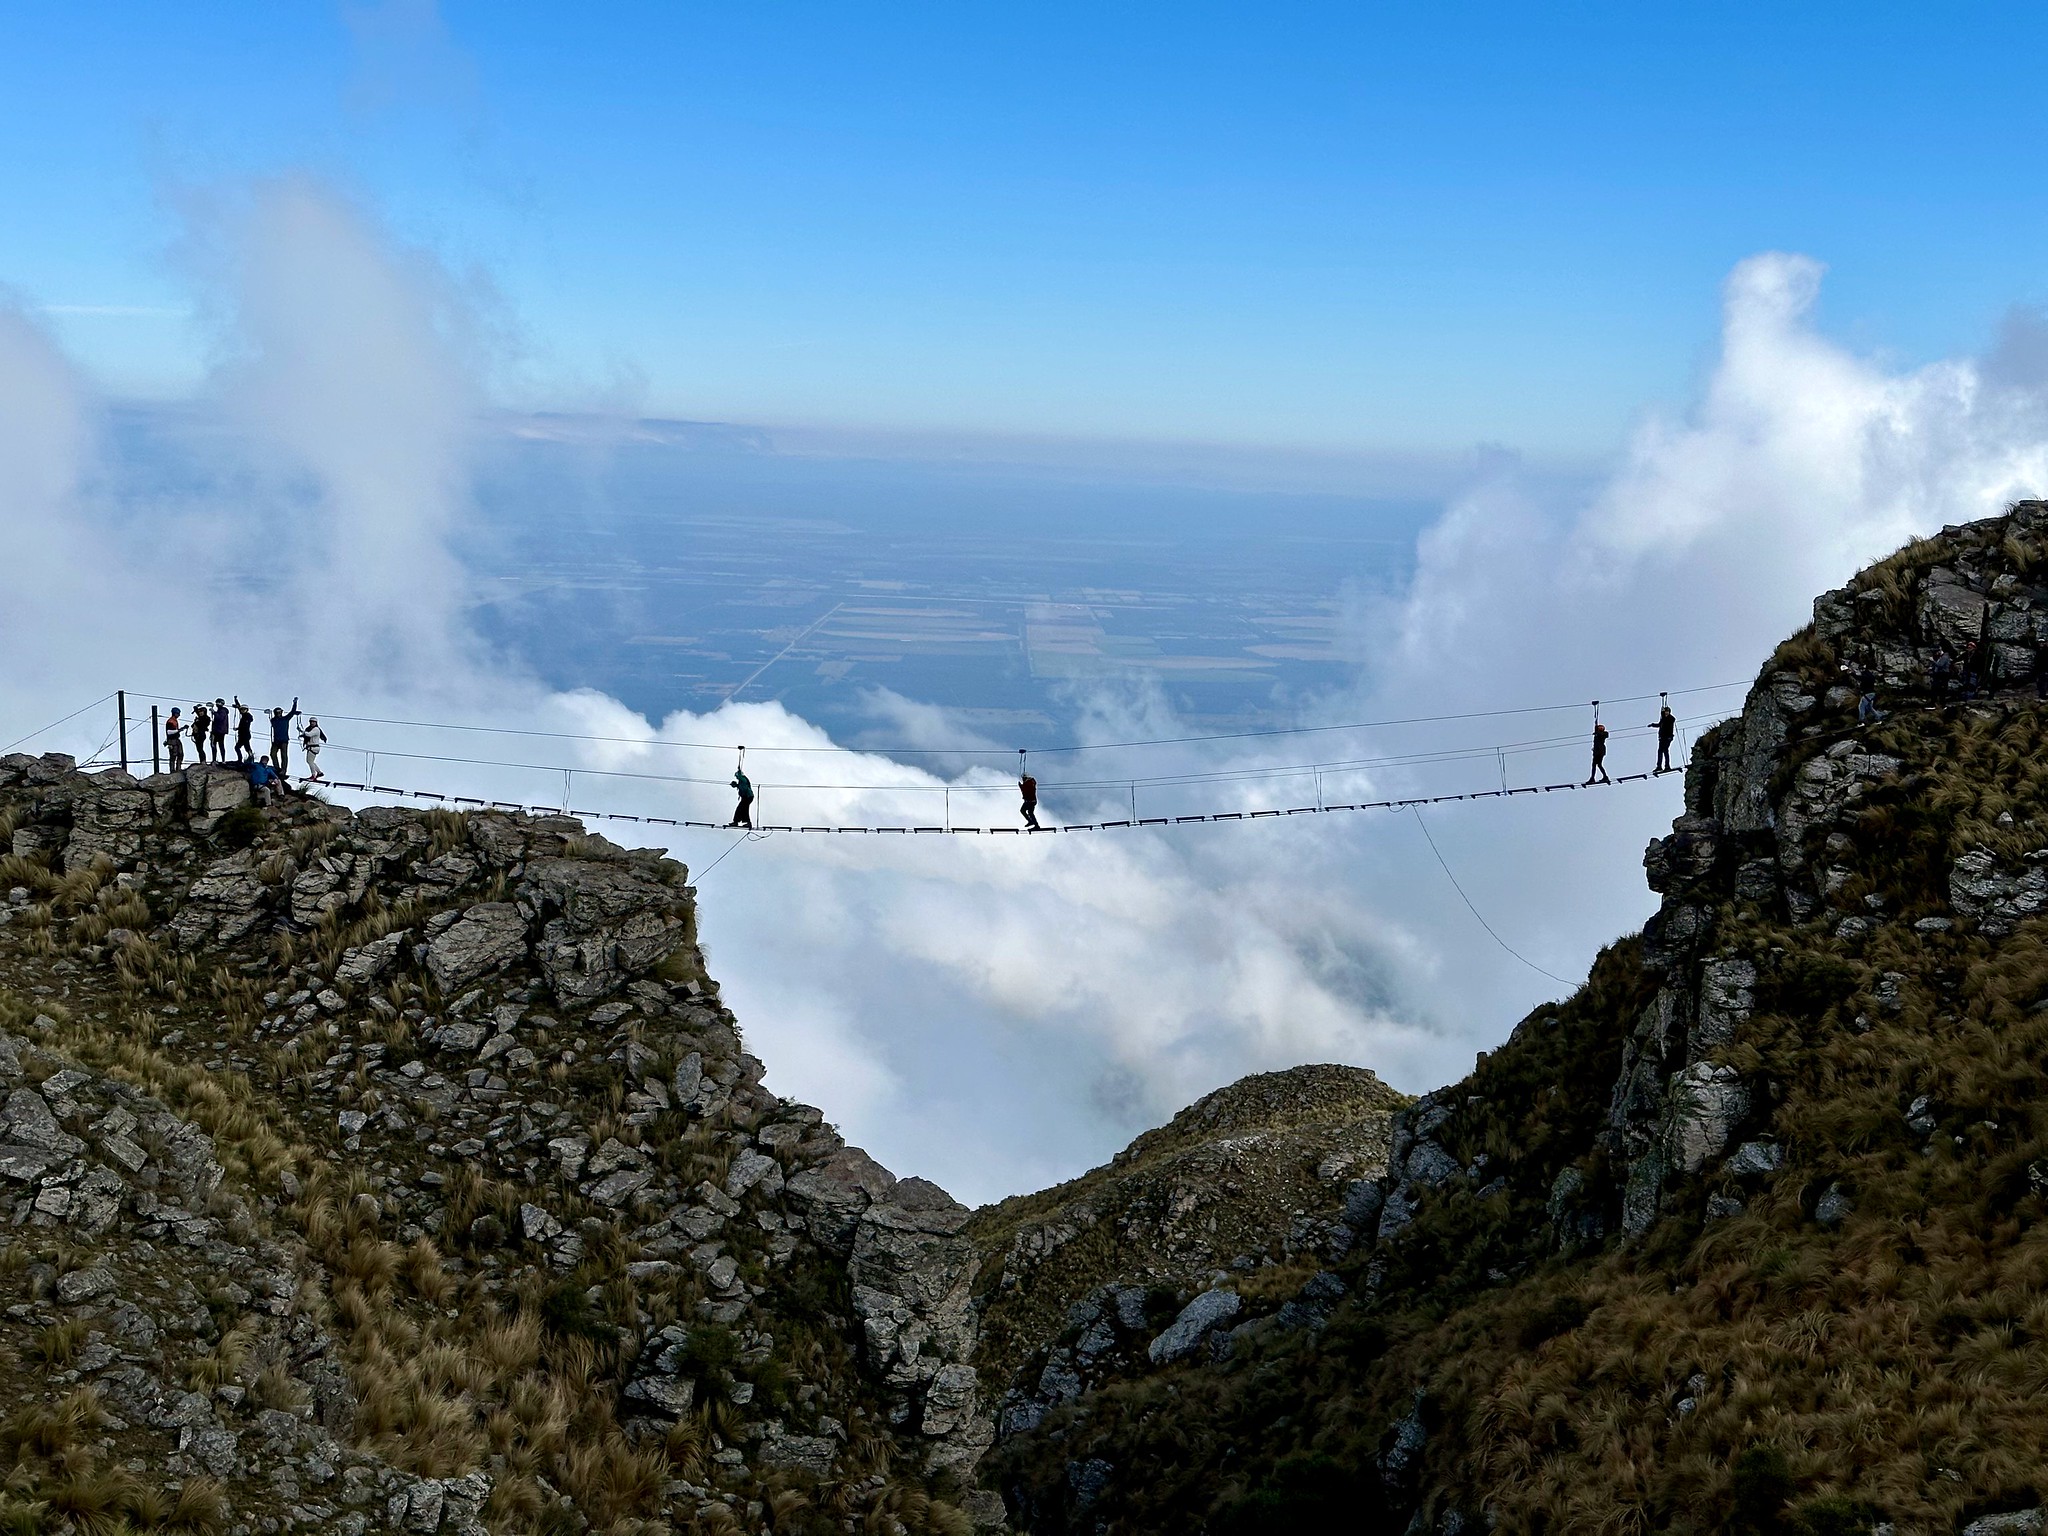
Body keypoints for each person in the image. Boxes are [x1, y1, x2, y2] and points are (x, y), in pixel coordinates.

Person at [268, 699, 301, 772]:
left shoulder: (285, 719)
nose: (279, 713)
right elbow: (273, 719)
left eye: (280, 712)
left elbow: (292, 712)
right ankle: (277, 768)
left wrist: (295, 703)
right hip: (276, 741)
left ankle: (283, 770)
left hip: (284, 740)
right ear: (275, 713)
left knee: (284, 756)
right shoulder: (273, 720)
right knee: (272, 754)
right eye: (278, 712)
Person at [1650, 699, 1676, 774]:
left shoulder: (1670, 719)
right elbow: (1659, 725)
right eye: (1665, 712)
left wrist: (1662, 713)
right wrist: (1652, 725)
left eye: (1667, 712)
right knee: (1660, 751)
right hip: (1662, 738)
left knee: (1665, 750)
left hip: (1667, 737)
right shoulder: (1664, 719)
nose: (1666, 713)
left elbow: (1670, 720)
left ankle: (1667, 766)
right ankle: (1659, 766)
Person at [300, 716, 328, 782]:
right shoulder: (311, 729)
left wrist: (302, 732)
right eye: (311, 722)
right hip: (312, 747)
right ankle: (319, 772)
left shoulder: (316, 729)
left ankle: (313, 776)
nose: (312, 723)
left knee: (310, 761)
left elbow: (309, 735)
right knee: (310, 761)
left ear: (316, 723)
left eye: (313, 722)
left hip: (313, 747)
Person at [1585, 720, 1611, 786]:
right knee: (1597, 765)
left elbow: (1603, 735)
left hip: (1600, 751)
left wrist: (1597, 731)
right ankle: (1602, 777)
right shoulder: (1597, 736)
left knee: (1596, 764)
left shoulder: (1604, 733)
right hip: (1597, 751)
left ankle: (1594, 778)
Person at [232, 698, 255, 764]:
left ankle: (251, 759)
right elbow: (239, 708)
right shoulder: (244, 716)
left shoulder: (248, 716)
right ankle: (240, 759)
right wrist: (236, 701)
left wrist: (237, 704)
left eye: (244, 709)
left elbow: (248, 721)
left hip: (245, 735)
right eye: (242, 709)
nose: (242, 710)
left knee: (247, 747)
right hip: (241, 735)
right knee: (237, 747)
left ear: (247, 710)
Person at [210, 698, 230, 763]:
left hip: (219, 731)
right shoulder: (221, 710)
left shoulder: (222, 711)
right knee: (217, 745)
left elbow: (219, 718)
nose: (217, 704)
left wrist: (214, 712)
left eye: (218, 703)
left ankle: (219, 760)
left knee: (216, 745)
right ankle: (216, 760)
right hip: (220, 730)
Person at [165, 708, 185, 772]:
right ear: (175, 713)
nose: (179, 715)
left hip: (176, 739)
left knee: (180, 754)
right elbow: (169, 732)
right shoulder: (170, 721)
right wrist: (179, 730)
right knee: (173, 755)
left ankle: (178, 768)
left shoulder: (175, 721)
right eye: (178, 713)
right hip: (172, 740)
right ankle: (172, 770)